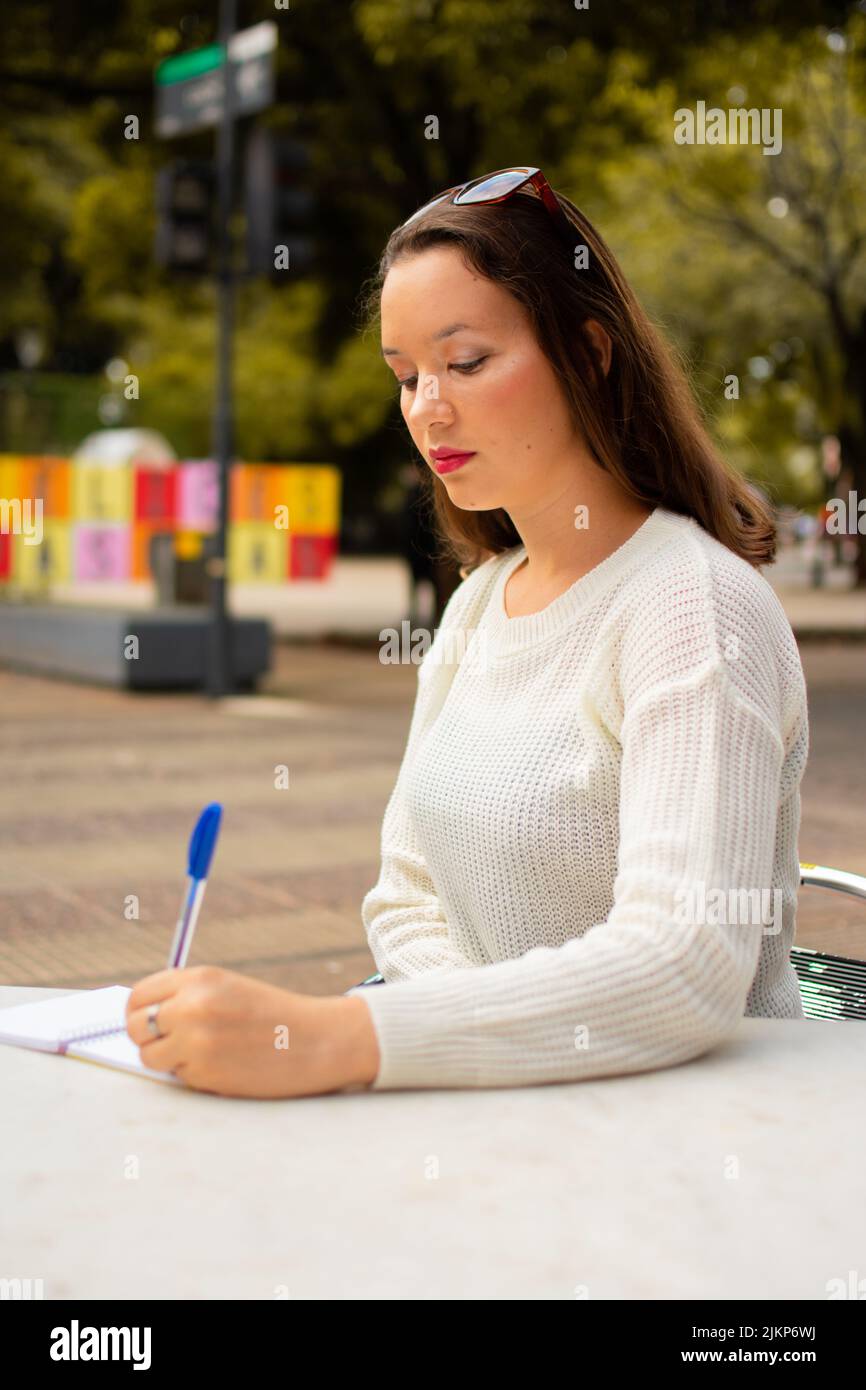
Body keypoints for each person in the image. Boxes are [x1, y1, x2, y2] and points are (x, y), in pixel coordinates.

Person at [123, 167, 809, 1098]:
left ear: (591, 352)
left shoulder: (694, 608)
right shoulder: (479, 603)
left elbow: (683, 963)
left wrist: (346, 1037)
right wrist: (465, 1040)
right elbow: (405, 897)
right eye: (406, 376)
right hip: (502, 1124)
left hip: (688, 1149)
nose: (427, 408)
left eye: (468, 362)